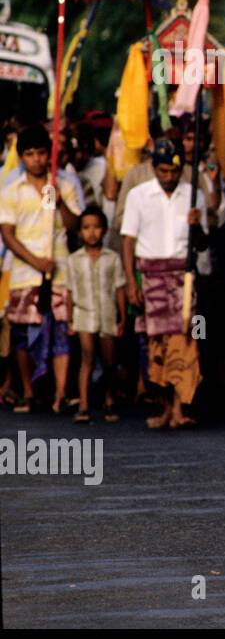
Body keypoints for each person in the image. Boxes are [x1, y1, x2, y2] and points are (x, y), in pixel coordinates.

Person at [121, 140, 208, 430]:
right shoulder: (138, 195)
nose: (169, 176)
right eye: (163, 170)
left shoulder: (194, 195)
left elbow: (203, 244)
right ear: (153, 167)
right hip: (151, 276)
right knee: (156, 345)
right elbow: (128, 241)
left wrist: (197, 227)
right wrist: (131, 281)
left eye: (174, 170)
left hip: (184, 276)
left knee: (186, 341)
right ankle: (165, 406)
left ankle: (182, 407)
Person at [0, 126, 80, 413]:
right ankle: (29, 391)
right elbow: (7, 233)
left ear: (49, 155)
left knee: (60, 330)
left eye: (41, 153)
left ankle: (59, 394)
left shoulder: (63, 185)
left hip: (59, 268)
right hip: (25, 271)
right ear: (22, 157)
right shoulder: (11, 190)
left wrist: (59, 203)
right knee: (23, 332)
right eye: (29, 154)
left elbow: (76, 227)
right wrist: (35, 261)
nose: (36, 159)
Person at [67, 206, 126, 423]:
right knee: (87, 357)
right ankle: (84, 404)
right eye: (86, 228)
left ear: (105, 229)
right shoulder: (74, 259)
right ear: (80, 231)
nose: (92, 232)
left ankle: (109, 398)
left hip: (108, 314)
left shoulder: (113, 258)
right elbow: (69, 291)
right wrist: (69, 319)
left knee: (109, 361)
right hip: (84, 314)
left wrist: (122, 317)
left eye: (97, 227)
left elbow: (119, 288)